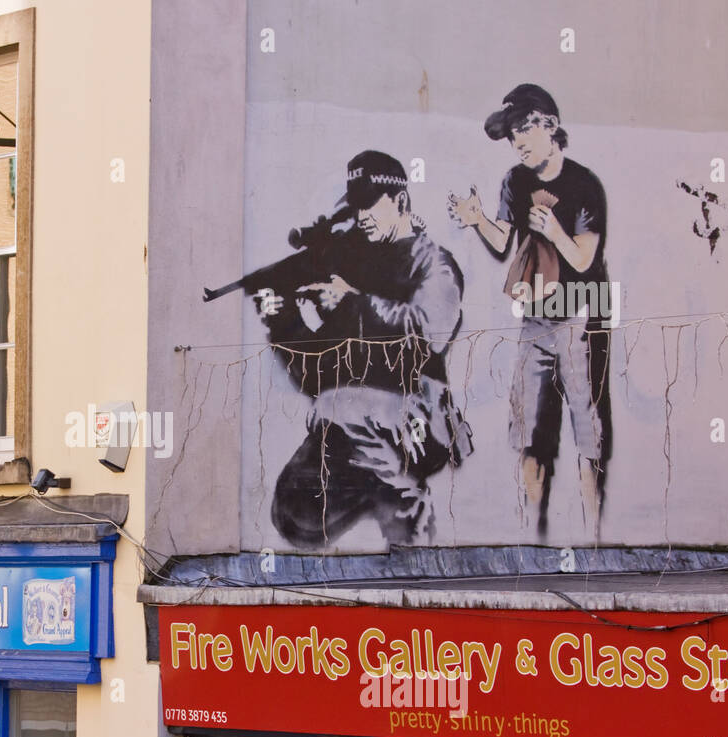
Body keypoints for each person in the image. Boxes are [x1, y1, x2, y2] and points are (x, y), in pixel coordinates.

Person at [257, 150, 472, 548]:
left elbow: (430, 333)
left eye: (371, 204)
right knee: (292, 508)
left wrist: (354, 302)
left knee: (342, 405)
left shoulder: (435, 262)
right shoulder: (355, 262)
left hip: (418, 417)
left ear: (401, 201)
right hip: (354, 417)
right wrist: (290, 319)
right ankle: (385, 492)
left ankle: (408, 507)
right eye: (357, 207)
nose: (362, 216)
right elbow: (325, 361)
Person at [448, 84, 612, 540]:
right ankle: (530, 536)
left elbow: (584, 259)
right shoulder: (515, 181)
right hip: (535, 316)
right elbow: (503, 241)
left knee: (587, 430)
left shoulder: (583, 185)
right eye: (511, 135)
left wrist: (556, 232)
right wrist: (477, 217)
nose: (517, 142)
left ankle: (594, 539)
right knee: (528, 431)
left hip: (580, 314)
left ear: (550, 126)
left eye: (523, 129)